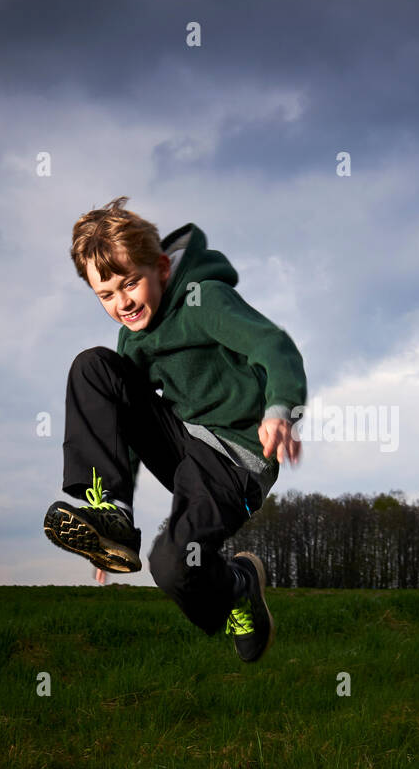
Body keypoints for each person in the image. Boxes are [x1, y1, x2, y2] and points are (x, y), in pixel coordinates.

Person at [43, 197, 307, 663]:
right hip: (184, 445)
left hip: (235, 461)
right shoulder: (133, 335)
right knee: (95, 367)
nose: (123, 303)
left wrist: (279, 410)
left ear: (162, 267)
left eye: (131, 284)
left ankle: (239, 588)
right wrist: (110, 518)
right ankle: (113, 517)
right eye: (105, 295)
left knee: (170, 565)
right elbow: (120, 419)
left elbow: (273, 344)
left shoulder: (204, 299)